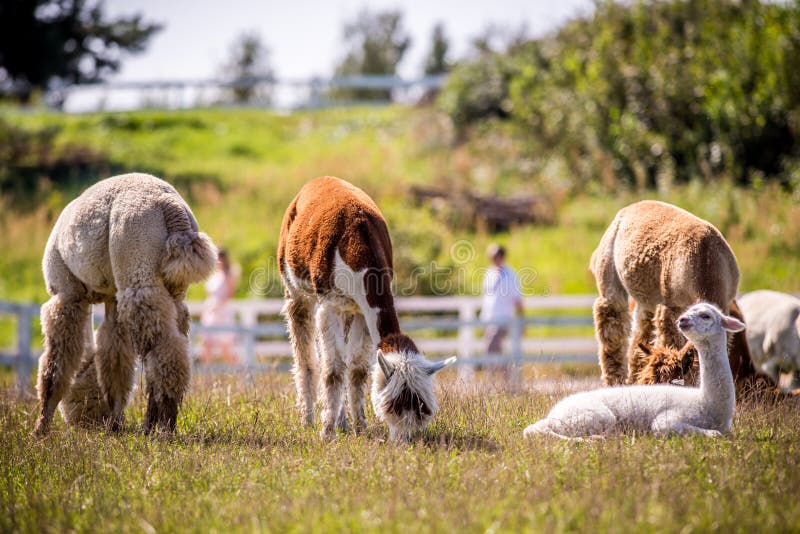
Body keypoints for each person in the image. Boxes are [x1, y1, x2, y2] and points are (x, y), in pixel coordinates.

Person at [480, 244, 524, 364]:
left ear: (501, 256)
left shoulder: (511, 275)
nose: (491, 259)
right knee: (495, 351)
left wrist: (521, 321)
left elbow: (518, 301)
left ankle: (493, 379)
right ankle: (504, 379)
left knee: (491, 349)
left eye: (494, 256)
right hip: (489, 319)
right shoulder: (489, 273)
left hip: (503, 319)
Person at [200, 248, 239, 363]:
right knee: (206, 344)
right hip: (210, 313)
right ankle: (207, 376)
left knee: (225, 348)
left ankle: (241, 375)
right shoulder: (214, 275)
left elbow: (230, 294)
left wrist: (218, 306)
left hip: (222, 313)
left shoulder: (227, 275)